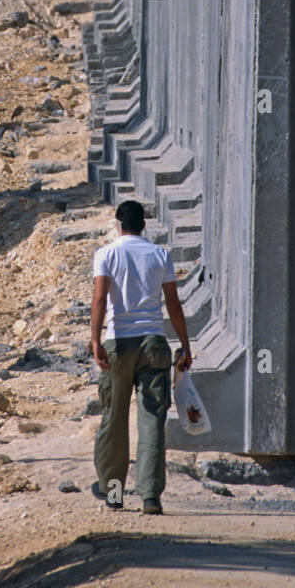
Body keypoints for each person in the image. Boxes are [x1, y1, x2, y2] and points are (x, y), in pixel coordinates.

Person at [90, 199, 192, 516]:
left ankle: (115, 492)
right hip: (154, 344)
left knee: (114, 419)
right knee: (152, 421)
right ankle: (150, 496)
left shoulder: (106, 254)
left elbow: (99, 298)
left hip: (118, 342)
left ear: (119, 225)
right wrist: (185, 346)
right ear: (143, 226)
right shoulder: (160, 255)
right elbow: (173, 305)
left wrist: (94, 340)